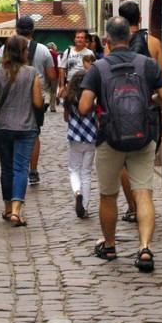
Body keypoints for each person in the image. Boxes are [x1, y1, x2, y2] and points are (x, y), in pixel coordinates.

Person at [80, 16, 162, 272]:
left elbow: (84, 106)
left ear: (107, 39)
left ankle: (109, 245)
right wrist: (149, 101)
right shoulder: (147, 64)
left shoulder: (98, 68)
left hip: (109, 139)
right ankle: (144, 247)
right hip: (143, 137)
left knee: (108, 195)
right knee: (143, 193)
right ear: (131, 38)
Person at [115, 1, 162, 222]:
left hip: (121, 110)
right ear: (140, 19)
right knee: (145, 160)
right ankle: (143, 203)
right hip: (148, 110)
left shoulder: (114, 44)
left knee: (123, 161)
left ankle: (132, 206)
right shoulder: (154, 42)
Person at [0, 35, 43, 227]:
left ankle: (8, 208)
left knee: (6, 168)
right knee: (20, 168)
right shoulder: (31, 73)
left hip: (2, 127)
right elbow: (37, 102)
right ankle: (17, 210)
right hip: (26, 126)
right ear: (23, 52)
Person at [0, 16, 57, 185]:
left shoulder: (4, 49)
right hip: (35, 95)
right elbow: (52, 75)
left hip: (10, 95)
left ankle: (12, 166)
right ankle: (33, 170)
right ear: (32, 30)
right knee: (34, 132)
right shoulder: (44, 50)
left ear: (16, 30)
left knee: (9, 127)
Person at [61, 68, 96, 219]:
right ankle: (85, 206)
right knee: (86, 172)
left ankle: (77, 192)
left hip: (75, 137)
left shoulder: (69, 98)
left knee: (74, 169)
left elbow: (66, 118)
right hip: (91, 138)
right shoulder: (93, 99)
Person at [57, 30, 95, 102]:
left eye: (82, 38)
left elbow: (93, 69)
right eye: (78, 37)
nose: (79, 39)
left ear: (85, 40)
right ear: (74, 39)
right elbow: (62, 68)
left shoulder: (90, 53)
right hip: (70, 84)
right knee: (68, 106)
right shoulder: (67, 52)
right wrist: (62, 85)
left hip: (85, 84)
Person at [45, 42, 60, 112]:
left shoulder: (44, 54)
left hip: (45, 74)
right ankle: (52, 107)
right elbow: (59, 65)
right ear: (54, 48)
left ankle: (46, 101)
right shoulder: (56, 55)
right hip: (55, 74)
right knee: (53, 91)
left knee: (46, 89)